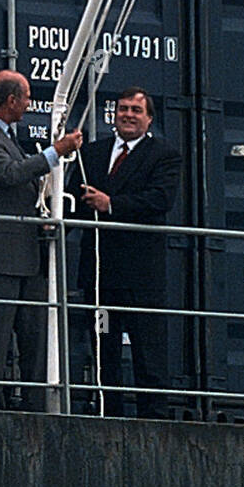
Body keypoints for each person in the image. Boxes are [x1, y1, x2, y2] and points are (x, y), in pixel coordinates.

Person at [0, 70, 82, 410]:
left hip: (26, 259)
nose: (28, 104)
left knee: (36, 342)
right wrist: (54, 153)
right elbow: (8, 174)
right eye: (26, 97)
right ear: (11, 100)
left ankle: (35, 409)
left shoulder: (8, 137)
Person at [72, 86, 181, 419]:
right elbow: (75, 198)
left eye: (136, 110)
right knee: (104, 349)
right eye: (123, 109)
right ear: (113, 114)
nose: (128, 115)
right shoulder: (91, 153)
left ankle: (154, 420)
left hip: (141, 276)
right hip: (100, 273)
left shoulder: (163, 154)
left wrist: (111, 204)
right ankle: (108, 415)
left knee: (148, 350)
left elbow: (160, 201)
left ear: (149, 118)